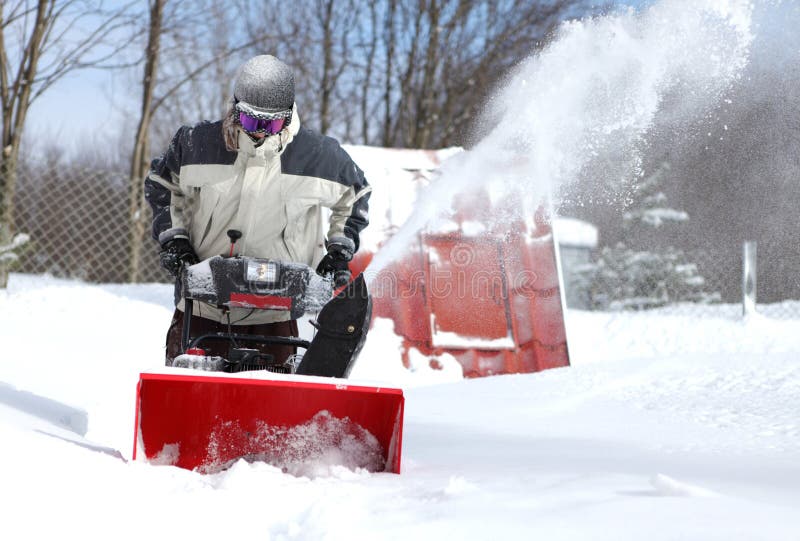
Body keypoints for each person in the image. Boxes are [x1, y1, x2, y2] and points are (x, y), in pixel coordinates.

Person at [144, 54, 371, 364]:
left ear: (289, 116)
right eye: (252, 121)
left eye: (273, 123)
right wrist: (176, 241)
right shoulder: (197, 144)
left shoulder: (318, 155)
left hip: (275, 315)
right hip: (201, 306)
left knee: (276, 408)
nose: (261, 132)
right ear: (236, 109)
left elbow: (357, 195)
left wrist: (339, 250)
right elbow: (162, 183)